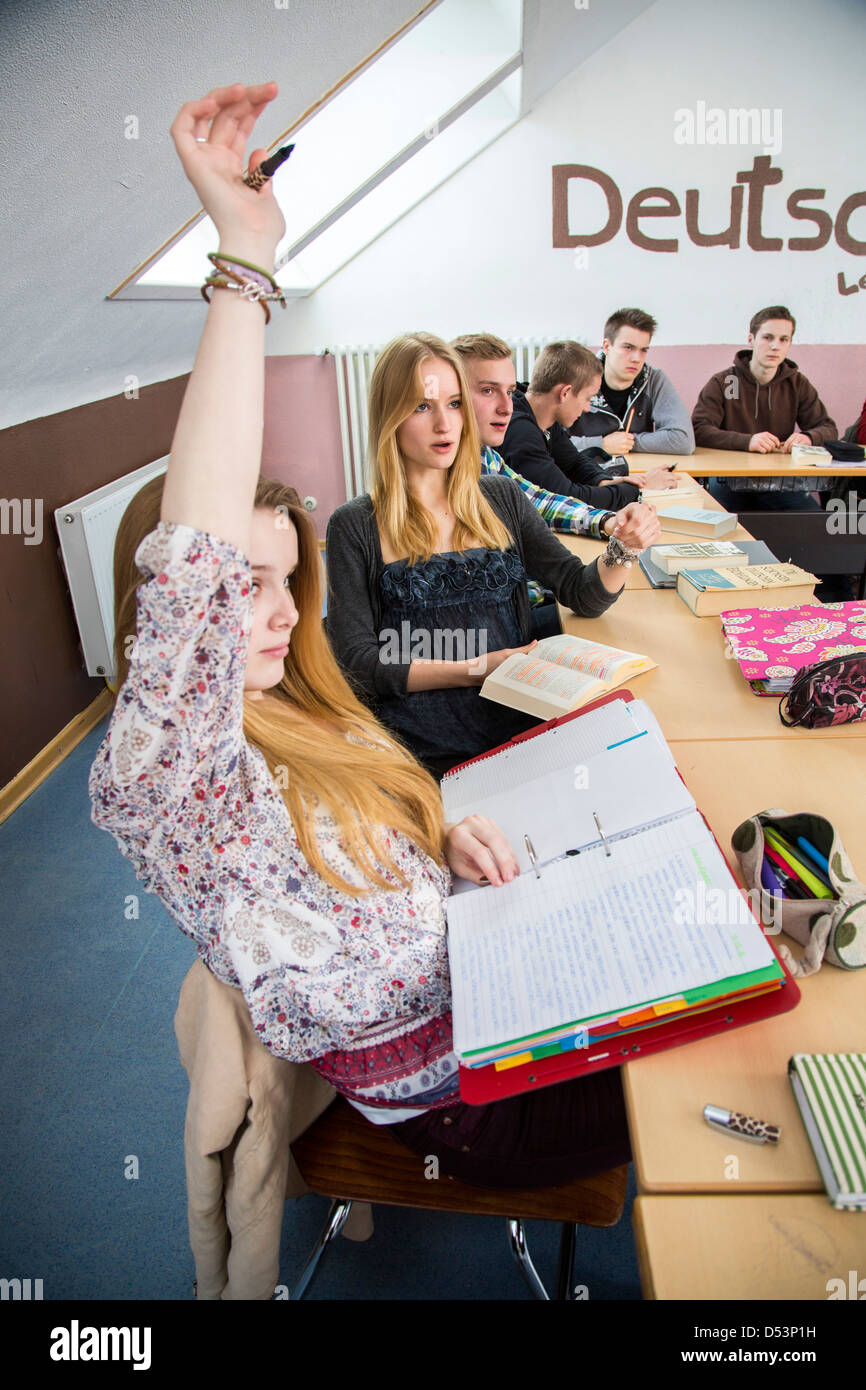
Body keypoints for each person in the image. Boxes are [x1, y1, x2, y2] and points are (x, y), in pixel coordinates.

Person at [90, 83, 629, 1193]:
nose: (280, 615)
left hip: (495, 978)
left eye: (282, 581)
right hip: (462, 1088)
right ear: (168, 622)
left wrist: (442, 843)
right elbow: (190, 564)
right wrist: (243, 266)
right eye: (241, 591)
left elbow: (365, 845)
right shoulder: (169, 773)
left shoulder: (300, 710)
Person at [325, 332, 640, 780]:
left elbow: (582, 593)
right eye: (422, 406)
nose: (444, 424)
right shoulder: (354, 524)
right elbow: (359, 662)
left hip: (520, 730)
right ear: (390, 416)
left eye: (454, 404)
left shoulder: (501, 497)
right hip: (422, 754)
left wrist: (624, 548)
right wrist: (475, 669)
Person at [451, 331, 662, 555]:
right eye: (488, 391)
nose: (506, 407)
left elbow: (540, 499)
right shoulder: (518, 431)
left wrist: (607, 516)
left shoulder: (486, 456)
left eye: (510, 391)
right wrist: (638, 490)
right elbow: (561, 493)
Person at [692, 305, 837, 513]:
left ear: (790, 344)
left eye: (783, 339)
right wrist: (748, 441)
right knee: (715, 524)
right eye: (768, 337)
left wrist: (808, 437)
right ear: (751, 339)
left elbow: (827, 427)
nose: (775, 346)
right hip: (728, 479)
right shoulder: (723, 381)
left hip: (778, 480)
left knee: (814, 524)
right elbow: (699, 428)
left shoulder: (797, 383)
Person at [500, 341, 677, 507]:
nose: (586, 408)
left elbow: (574, 462)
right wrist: (639, 490)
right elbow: (566, 498)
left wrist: (605, 481)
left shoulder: (540, 413)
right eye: (587, 398)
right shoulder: (519, 430)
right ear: (565, 393)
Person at [568, 307, 694, 459]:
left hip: (636, 475)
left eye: (643, 350)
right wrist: (601, 444)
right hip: (584, 475)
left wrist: (628, 442)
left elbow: (683, 440)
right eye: (628, 347)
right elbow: (549, 441)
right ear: (607, 346)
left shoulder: (654, 379)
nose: (637, 358)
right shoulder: (577, 375)